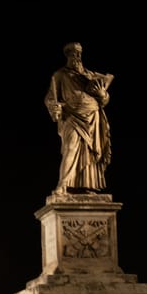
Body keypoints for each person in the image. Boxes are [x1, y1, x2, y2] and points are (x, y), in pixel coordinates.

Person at [44, 42, 114, 195]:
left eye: (79, 53)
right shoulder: (60, 75)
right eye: (73, 53)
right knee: (71, 148)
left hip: (93, 116)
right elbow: (50, 98)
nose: (77, 56)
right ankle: (62, 185)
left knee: (90, 151)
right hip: (72, 117)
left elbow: (104, 99)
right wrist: (55, 107)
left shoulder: (90, 75)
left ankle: (88, 185)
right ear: (67, 55)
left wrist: (103, 95)